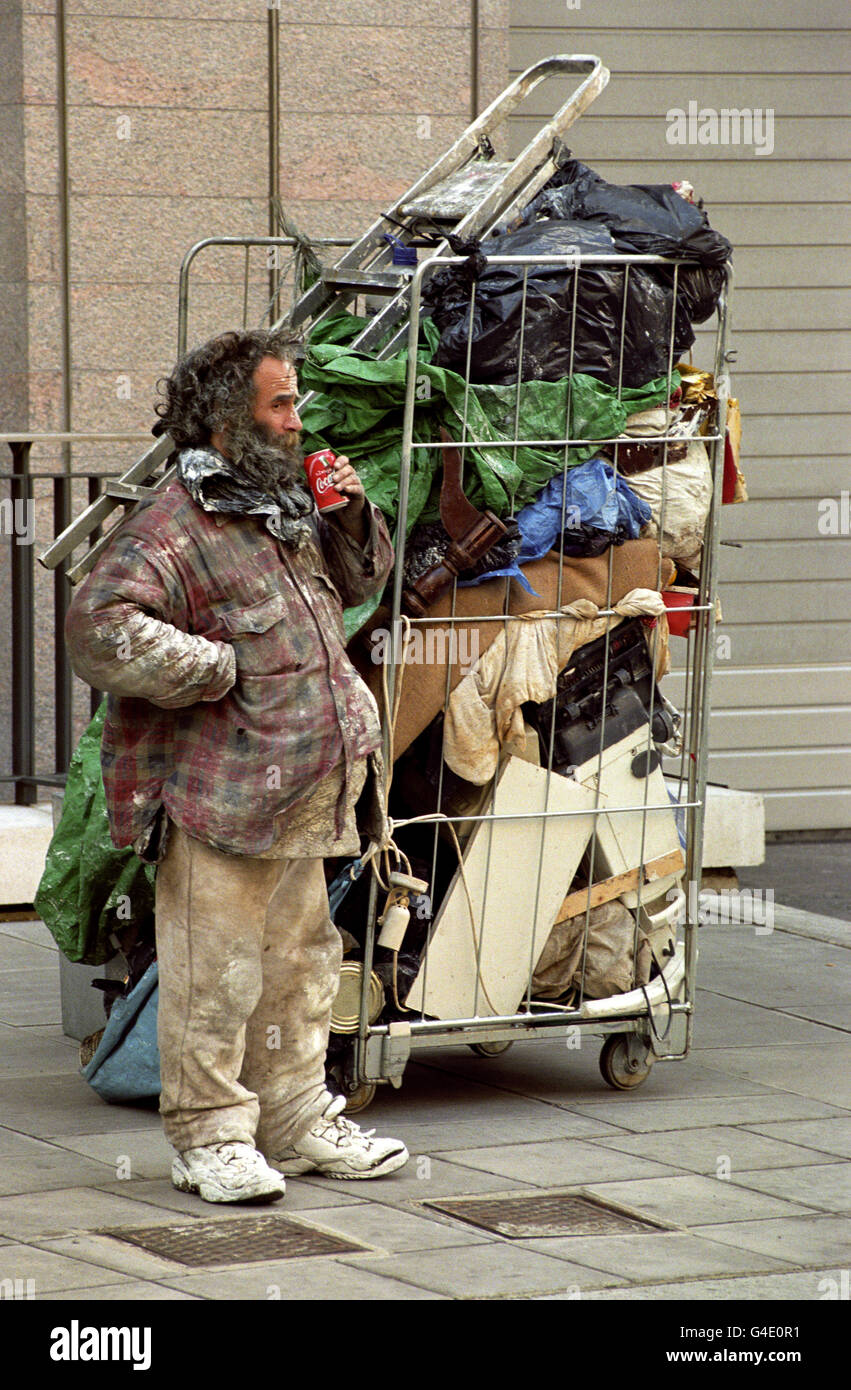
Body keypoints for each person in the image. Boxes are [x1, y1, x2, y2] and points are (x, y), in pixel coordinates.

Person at [64, 327, 409, 1204]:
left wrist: (349, 514)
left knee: (301, 965)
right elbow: (98, 627)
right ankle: (209, 1136)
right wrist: (215, 670)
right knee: (214, 975)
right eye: (281, 403)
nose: (299, 420)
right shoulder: (174, 524)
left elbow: (364, 576)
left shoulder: (281, 506)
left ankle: (293, 1120)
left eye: (295, 401)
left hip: (307, 789)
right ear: (228, 421)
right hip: (217, 800)